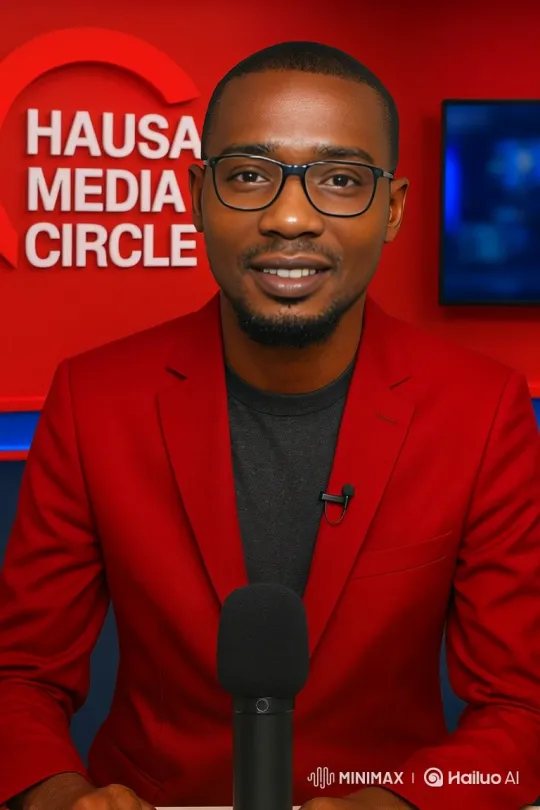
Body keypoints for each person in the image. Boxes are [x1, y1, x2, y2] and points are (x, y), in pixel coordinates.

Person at [1, 40, 539, 810]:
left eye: (342, 181)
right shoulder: (93, 398)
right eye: (250, 175)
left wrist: (402, 804)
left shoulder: (482, 410)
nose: (290, 218)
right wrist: (58, 795)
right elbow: (21, 675)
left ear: (391, 210)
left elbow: (522, 711)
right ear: (197, 195)